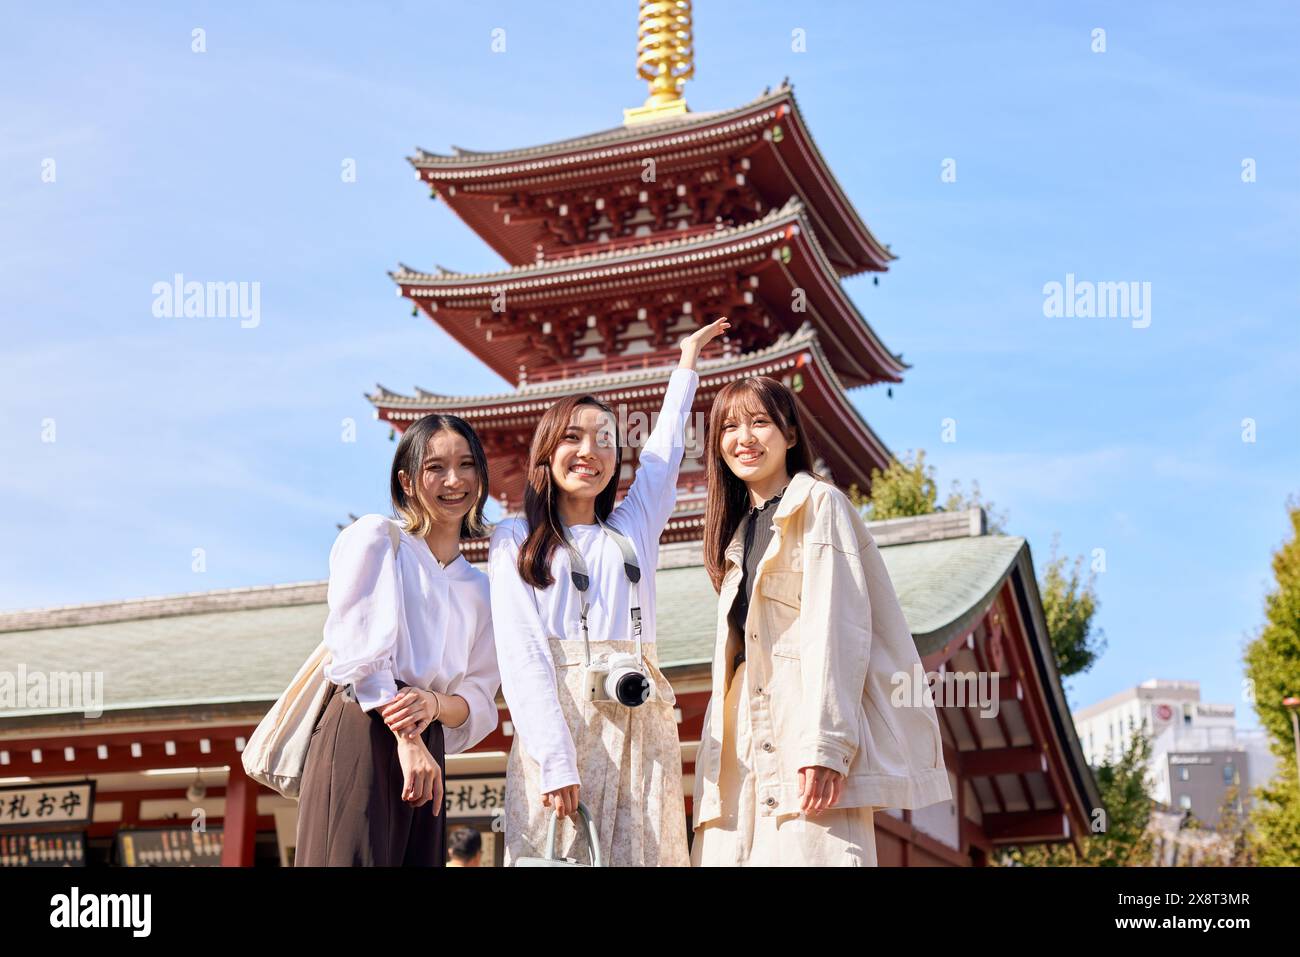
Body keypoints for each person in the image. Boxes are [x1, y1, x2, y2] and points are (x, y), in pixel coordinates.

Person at [489, 317, 729, 867]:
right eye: (572, 437)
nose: (588, 451)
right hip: (562, 726)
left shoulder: (632, 529)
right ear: (546, 454)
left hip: (641, 721)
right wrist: (554, 760)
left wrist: (686, 364)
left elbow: (664, 459)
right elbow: (522, 655)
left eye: (603, 440)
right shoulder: (516, 538)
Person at [691, 376, 951, 866]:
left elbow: (840, 630)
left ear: (790, 435)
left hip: (801, 719)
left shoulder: (819, 504)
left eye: (759, 422)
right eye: (728, 427)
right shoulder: (737, 533)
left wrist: (827, 745)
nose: (743, 438)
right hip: (738, 735)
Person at [295, 414, 501, 866]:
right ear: (406, 480)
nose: (454, 480)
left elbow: (479, 700)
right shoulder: (378, 540)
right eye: (436, 468)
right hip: (365, 727)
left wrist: (431, 704)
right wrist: (407, 738)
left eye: (467, 465)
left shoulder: (483, 589)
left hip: (431, 746)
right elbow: (359, 657)